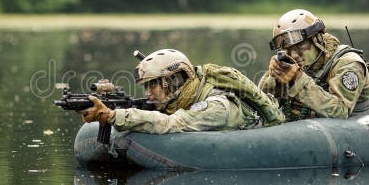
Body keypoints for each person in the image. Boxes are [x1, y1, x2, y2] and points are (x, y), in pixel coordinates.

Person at [79, 48, 274, 133]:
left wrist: (113, 115)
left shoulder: (217, 107)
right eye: (146, 86)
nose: (147, 93)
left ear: (173, 82)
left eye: (153, 84)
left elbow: (173, 124)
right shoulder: (178, 100)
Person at [258, 9, 369, 120]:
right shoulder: (295, 65)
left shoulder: (348, 63)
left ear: (317, 40)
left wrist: (297, 80)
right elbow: (261, 108)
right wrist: (274, 77)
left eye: (300, 46)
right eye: (288, 49)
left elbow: (340, 112)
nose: (293, 55)